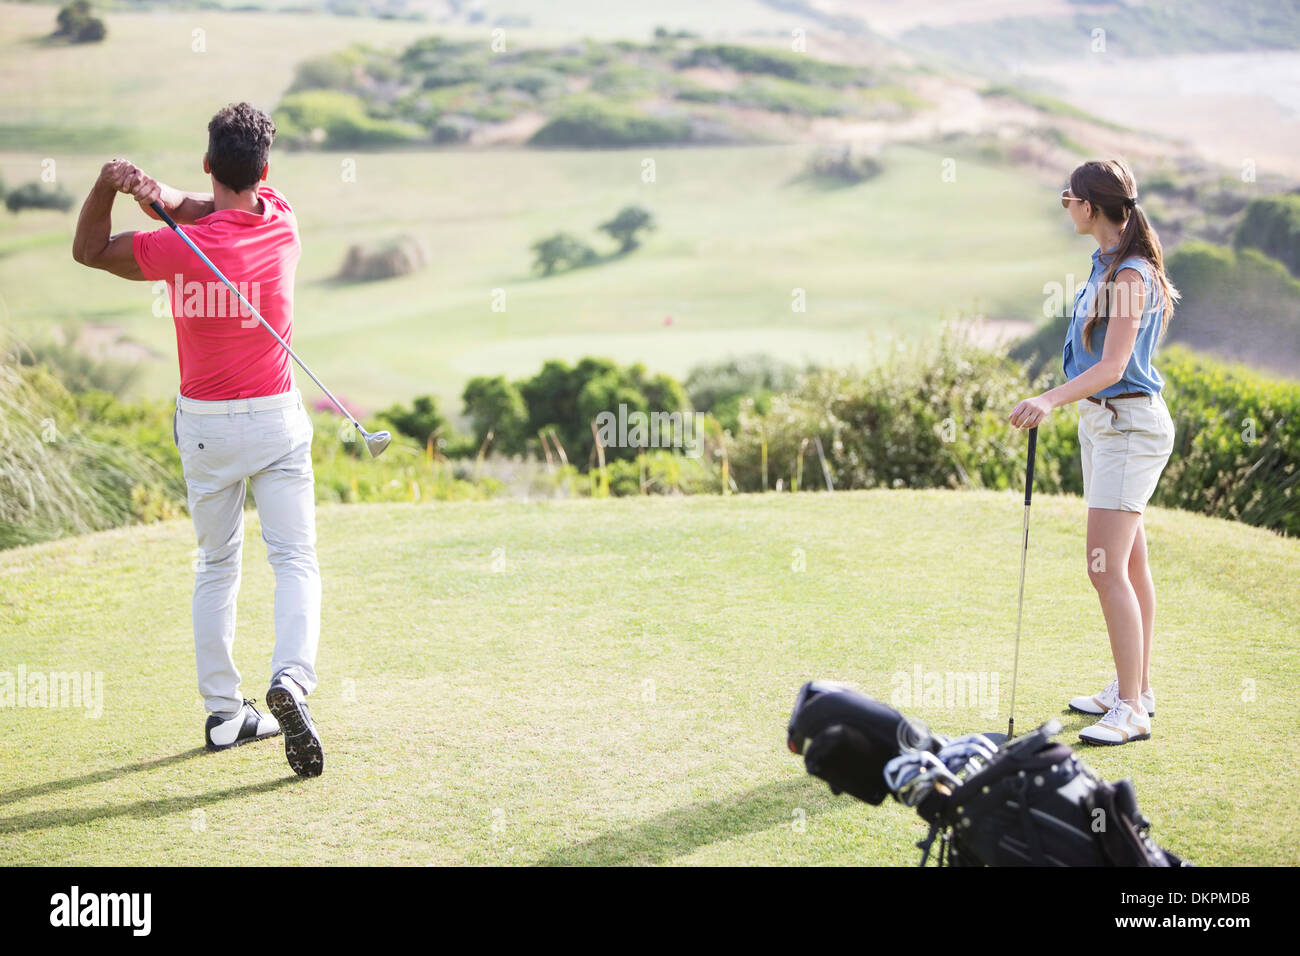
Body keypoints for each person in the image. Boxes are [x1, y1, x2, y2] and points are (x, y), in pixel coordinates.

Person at [71, 102, 325, 776]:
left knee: (217, 565)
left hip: (207, 428)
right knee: (294, 558)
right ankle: (292, 685)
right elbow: (207, 206)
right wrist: (158, 194)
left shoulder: (176, 248)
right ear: (264, 169)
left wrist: (109, 186)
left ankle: (224, 713)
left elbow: (89, 250)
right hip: (275, 417)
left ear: (209, 163)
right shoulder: (282, 220)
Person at [1008, 158, 1179, 747]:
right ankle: (1136, 688)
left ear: (1090, 206)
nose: (1065, 206)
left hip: (1129, 426)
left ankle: (1130, 709)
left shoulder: (1130, 276)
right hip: (1108, 426)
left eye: (1068, 198)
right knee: (1129, 565)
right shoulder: (1106, 263)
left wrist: (1048, 400)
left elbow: (1111, 366)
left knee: (1102, 567)